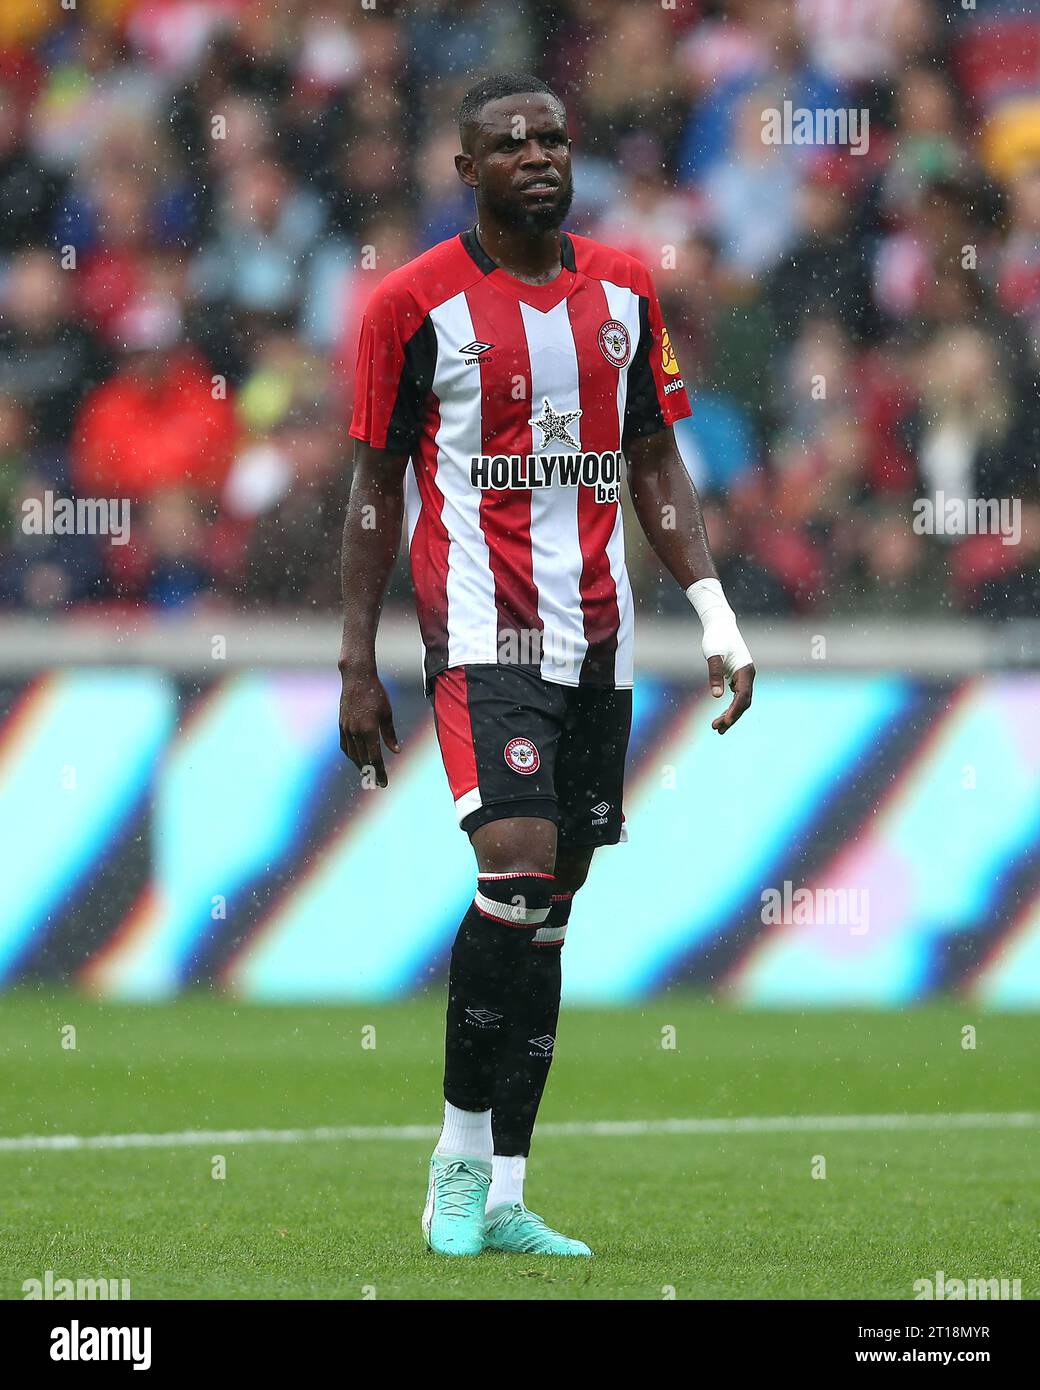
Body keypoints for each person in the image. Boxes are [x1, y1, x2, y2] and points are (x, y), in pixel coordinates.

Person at [337, 72, 756, 1258]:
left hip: (599, 640)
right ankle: (455, 1165)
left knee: (548, 921)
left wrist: (715, 609)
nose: (535, 153)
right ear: (462, 171)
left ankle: (508, 1186)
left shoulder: (623, 289)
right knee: (512, 874)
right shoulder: (410, 309)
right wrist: (353, 664)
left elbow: (654, 461)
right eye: (506, 142)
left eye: (552, 137)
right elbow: (372, 492)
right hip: (480, 636)